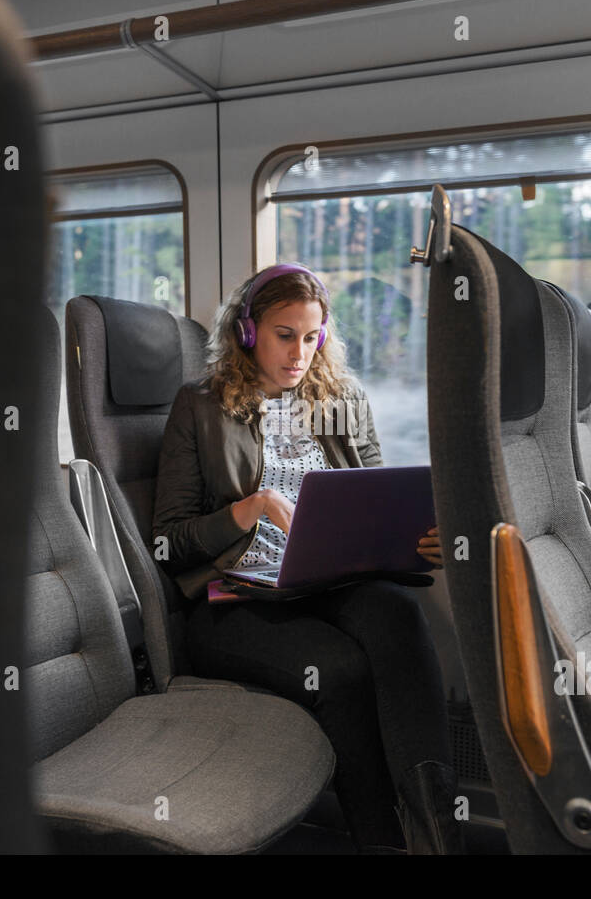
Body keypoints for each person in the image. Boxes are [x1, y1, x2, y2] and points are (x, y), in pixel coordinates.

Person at [152, 263, 463, 854]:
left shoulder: (342, 398)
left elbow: (375, 497)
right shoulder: (199, 407)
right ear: (248, 333)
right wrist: (249, 510)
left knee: (398, 615)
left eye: (312, 335)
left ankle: (439, 835)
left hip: (332, 582)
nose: (300, 352)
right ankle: (383, 843)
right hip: (238, 598)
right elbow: (168, 540)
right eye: (284, 334)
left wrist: (420, 538)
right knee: (341, 670)